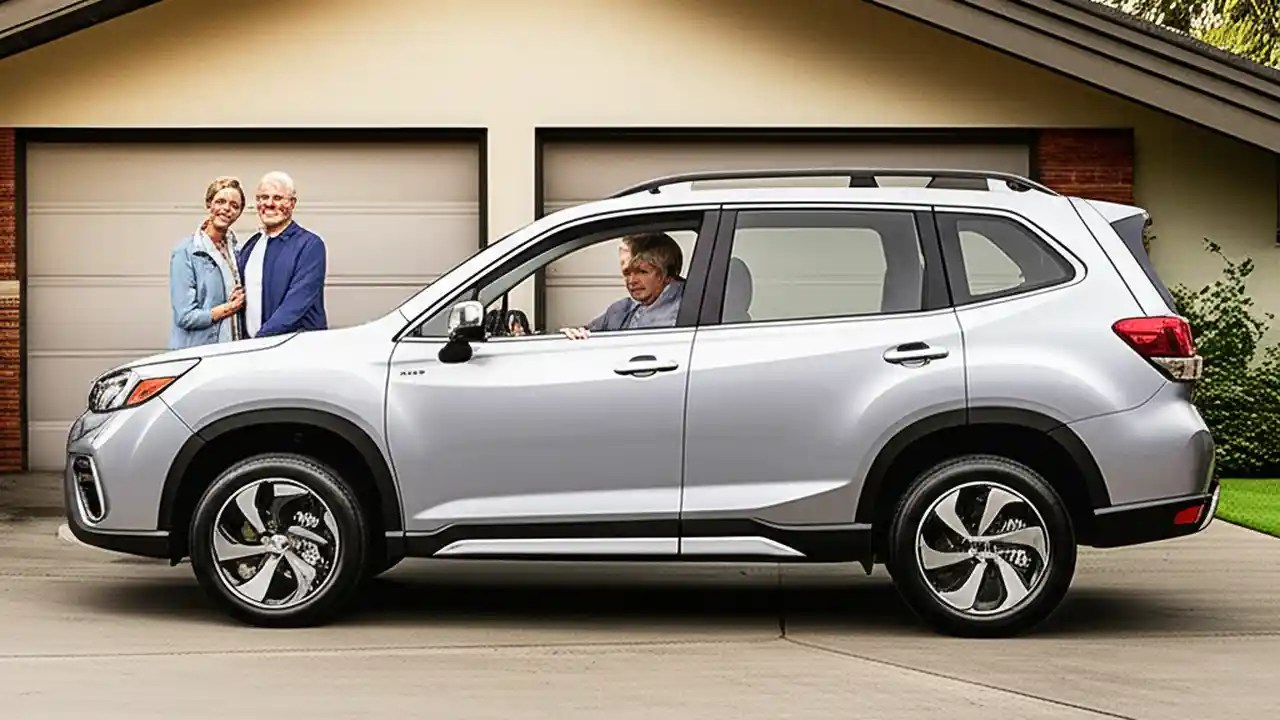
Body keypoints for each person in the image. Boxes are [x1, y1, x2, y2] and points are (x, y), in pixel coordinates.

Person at [236, 171, 328, 337]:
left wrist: (260, 340)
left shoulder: (310, 245)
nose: (269, 204)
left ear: (292, 203)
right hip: (253, 351)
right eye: (263, 198)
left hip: (294, 351)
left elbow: (296, 304)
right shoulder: (251, 246)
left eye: (277, 198)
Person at [168, 176, 247, 349]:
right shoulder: (187, 252)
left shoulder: (237, 251)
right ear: (209, 203)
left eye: (234, 205)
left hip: (232, 350)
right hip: (198, 354)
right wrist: (230, 307)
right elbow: (185, 316)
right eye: (220, 201)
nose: (227, 209)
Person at [561, 232, 685, 339]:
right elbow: (585, 334)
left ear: (668, 275)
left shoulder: (690, 305)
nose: (632, 280)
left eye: (642, 271)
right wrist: (573, 335)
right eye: (626, 273)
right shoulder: (620, 310)